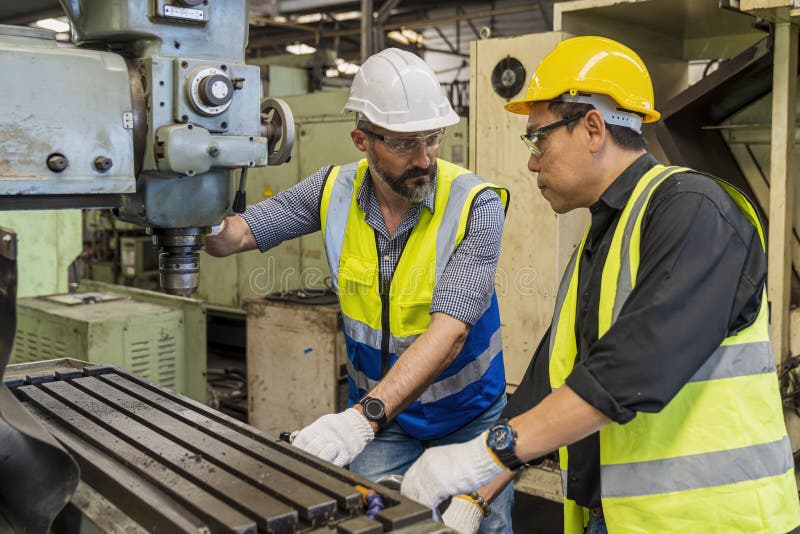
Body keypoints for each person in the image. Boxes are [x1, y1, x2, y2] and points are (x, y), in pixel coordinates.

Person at [400, 36, 800, 534]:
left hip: (714, 523)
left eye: (538, 139)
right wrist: (473, 496)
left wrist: (487, 451)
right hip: (615, 520)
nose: (531, 162)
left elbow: (635, 365)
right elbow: (543, 389)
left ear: (592, 128)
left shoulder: (695, 209)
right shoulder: (599, 243)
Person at [205, 47, 514, 532]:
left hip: (467, 417)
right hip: (388, 422)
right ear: (361, 140)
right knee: (371, 524)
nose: (425, 158)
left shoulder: (476, 205)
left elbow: (450, 332)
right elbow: (236, 235)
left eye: (432, 138)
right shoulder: (332, 190)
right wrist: (180, 208)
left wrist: (360, 420)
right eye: (404, 144)